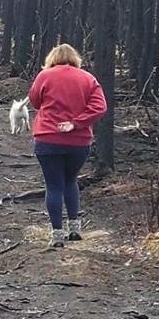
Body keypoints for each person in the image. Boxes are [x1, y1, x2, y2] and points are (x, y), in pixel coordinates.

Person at [27, 42, 108, 248]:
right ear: (75, 59)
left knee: (53, 186)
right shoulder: (88, 78)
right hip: (78, 141)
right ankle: (75, 228)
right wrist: (76, 123)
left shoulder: (44, 76)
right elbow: (100, 107)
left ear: (52, 59)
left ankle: (56, 234)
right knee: (71, 180)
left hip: (47, 138)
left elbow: (35, 101)